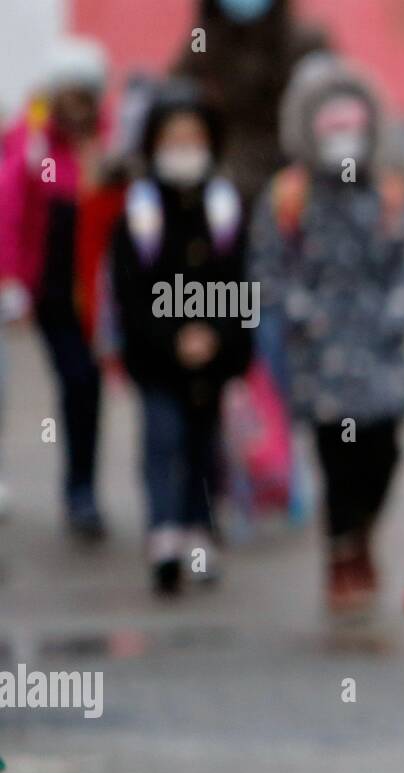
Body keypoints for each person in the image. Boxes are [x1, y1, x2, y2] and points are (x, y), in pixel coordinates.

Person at [249, 54, 404, 615]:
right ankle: (343, 553)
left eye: (351, 125)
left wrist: (400, 309)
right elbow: (267, 269)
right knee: (337, 461)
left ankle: (362, 534)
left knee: (386, 452)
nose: (342, 138)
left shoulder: (390, 193)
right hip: (321, 362)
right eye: (330, 126)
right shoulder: (288, 198)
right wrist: (302, 312)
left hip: (381, 354)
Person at [107, 81, 253, 594]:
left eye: (193, 138)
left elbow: (239, 282)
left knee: (204, 446)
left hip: (213, 358)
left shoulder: (227, 208)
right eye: (173, 139)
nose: (184, 149)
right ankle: (163, 533)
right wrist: (171, 339)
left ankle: (200, 532)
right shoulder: (139, 212)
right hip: (156, 358)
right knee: (162, 440)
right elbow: (130, 293)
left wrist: (220, 338)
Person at [0, 37, 118, 539]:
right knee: (75, 381)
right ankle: (78, 491)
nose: (77, 106)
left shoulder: (113, 142)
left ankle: (83, 490)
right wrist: (10, 278)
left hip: (101, 293)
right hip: (51, 291)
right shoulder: (34, 144)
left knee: (89, 390)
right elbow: (11, 214)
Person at [174, 0, 329, 206]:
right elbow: (174, 104)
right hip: (225, 177)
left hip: (294, 176)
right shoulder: (202, 44)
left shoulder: (305, 43)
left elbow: (332, 106)